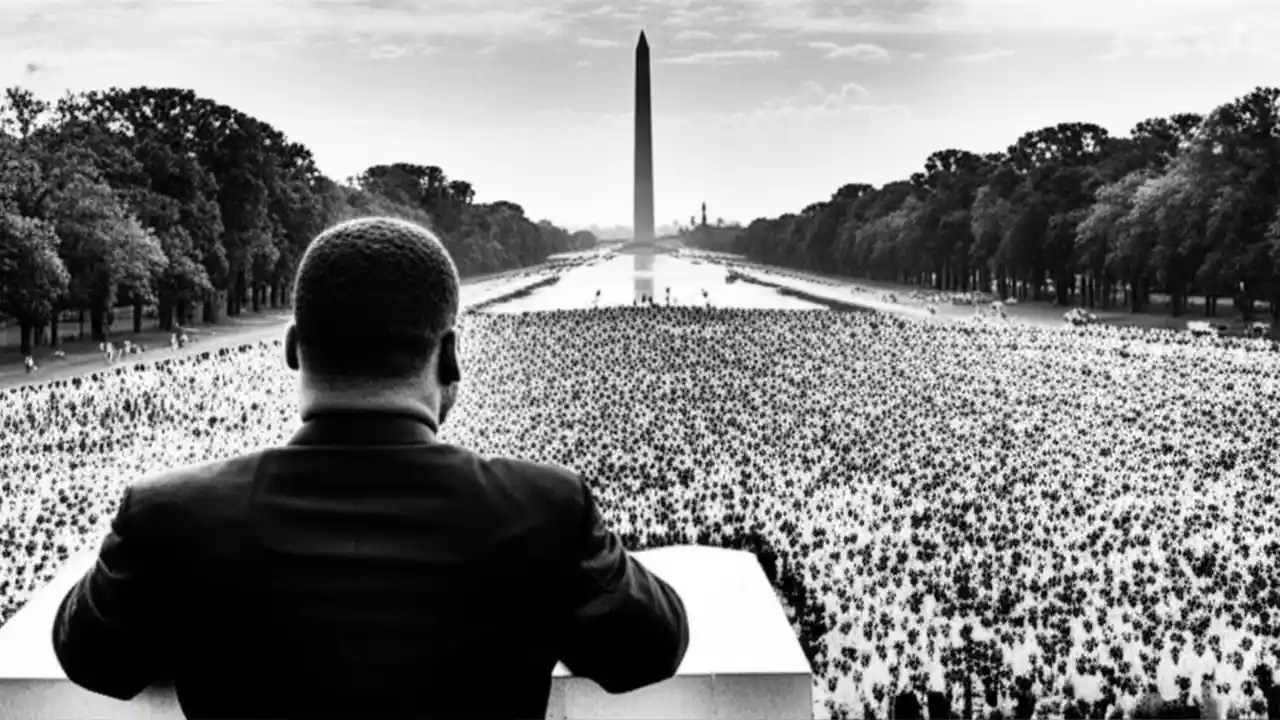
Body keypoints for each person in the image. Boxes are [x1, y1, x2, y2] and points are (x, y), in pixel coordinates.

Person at [52, 216, 690, 719]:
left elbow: (91, 657)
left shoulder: (171, 515)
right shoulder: (543, 509)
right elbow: (652, 646)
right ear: (450, 356)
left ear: (294, 347)